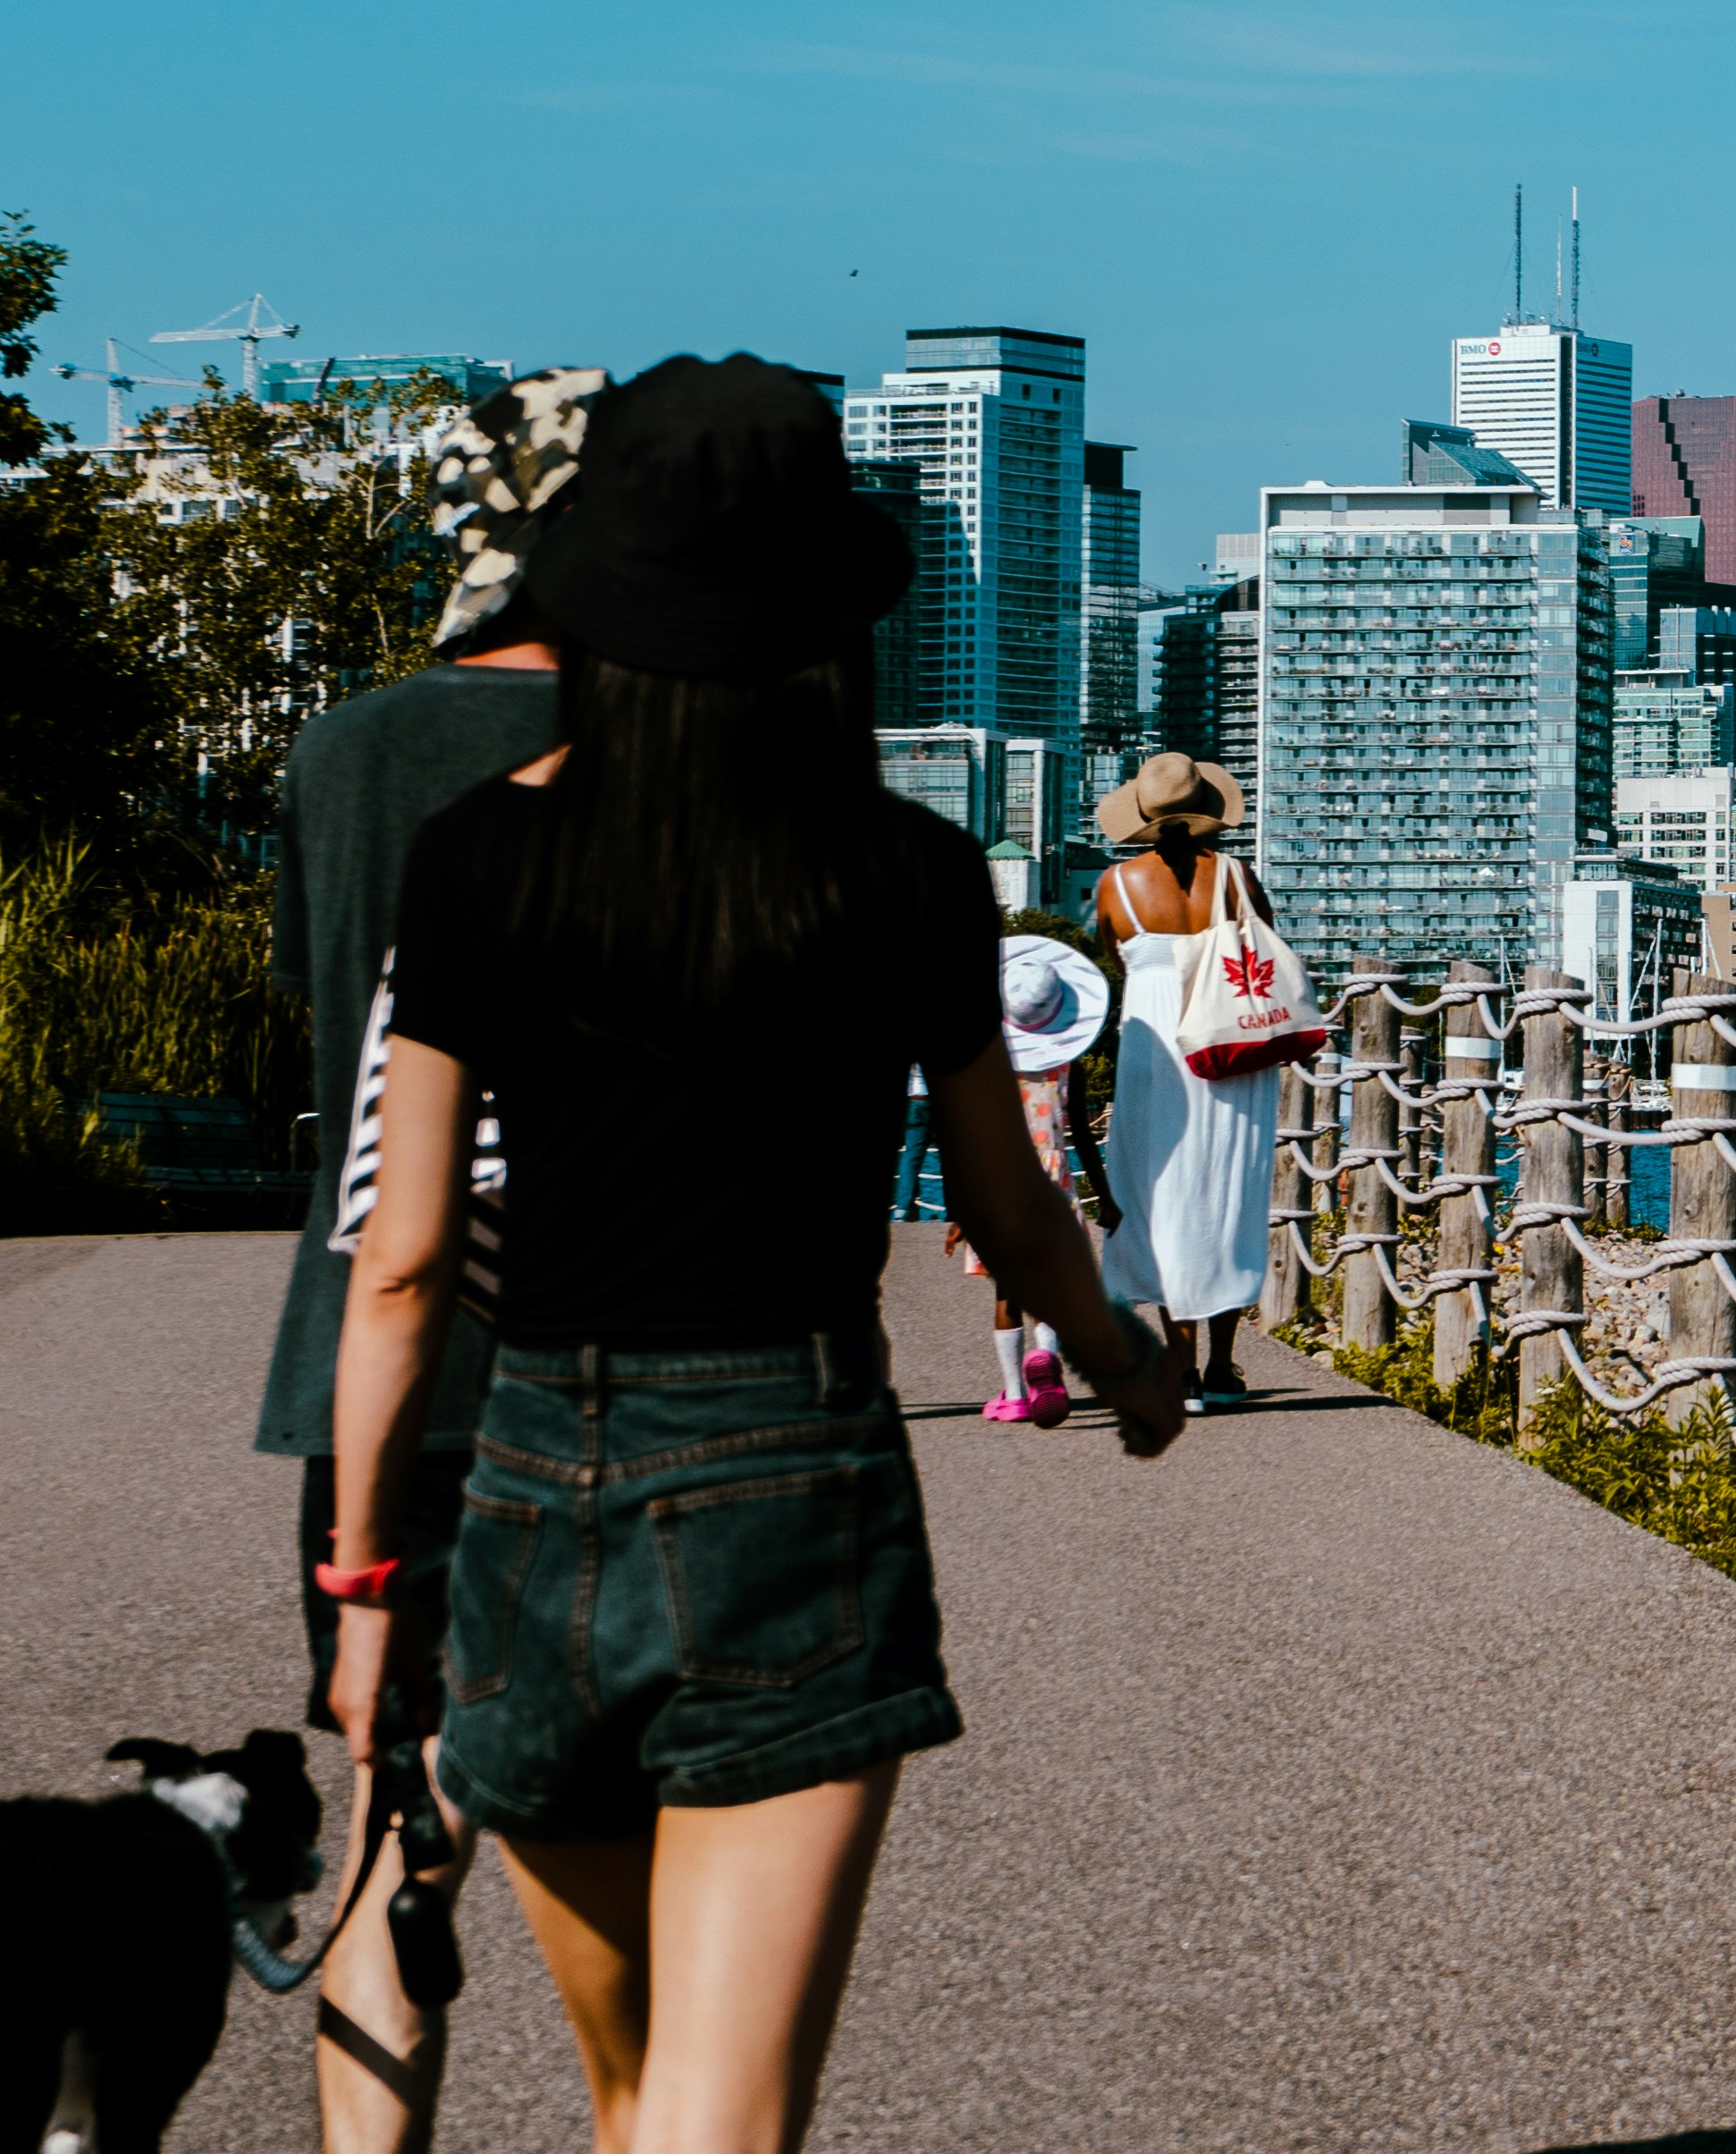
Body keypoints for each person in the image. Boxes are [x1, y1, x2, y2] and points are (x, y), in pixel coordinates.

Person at [324, 355, 1181, 2154]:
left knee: (632, 2083)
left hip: (538, 1486)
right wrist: (1124, 1367)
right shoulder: (911, 873)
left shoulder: (473, 857)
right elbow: (1005, 1204)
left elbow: (399, 1260)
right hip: (788, 1471)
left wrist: (361, 1576)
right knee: (720, 2118)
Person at [250, 363, 605, 2153]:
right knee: (637, 1855)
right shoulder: (661, 746)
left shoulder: (342, 749)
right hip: (613, 1349)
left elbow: (319, 1022)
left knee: (399, 1835)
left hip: (369, 1364)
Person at [1090, 752, 1285, 1398]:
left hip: (1153, 1053)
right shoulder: (1236, 876)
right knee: (1227, 1195)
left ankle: (1179, 1365)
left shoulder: (1115, 886)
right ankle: (1222, 1368)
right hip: (1227, 1047)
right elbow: (1268, 953)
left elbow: (1115, 960)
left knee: (1165, 1198)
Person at [960, 933, 1112, 1422]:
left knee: (1008, 1290)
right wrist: (1105, 1198)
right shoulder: (1067, 1066)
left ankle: (1015, 1395)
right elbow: (1084, 1139)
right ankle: (1044, 1359)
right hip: (1054, 1187)